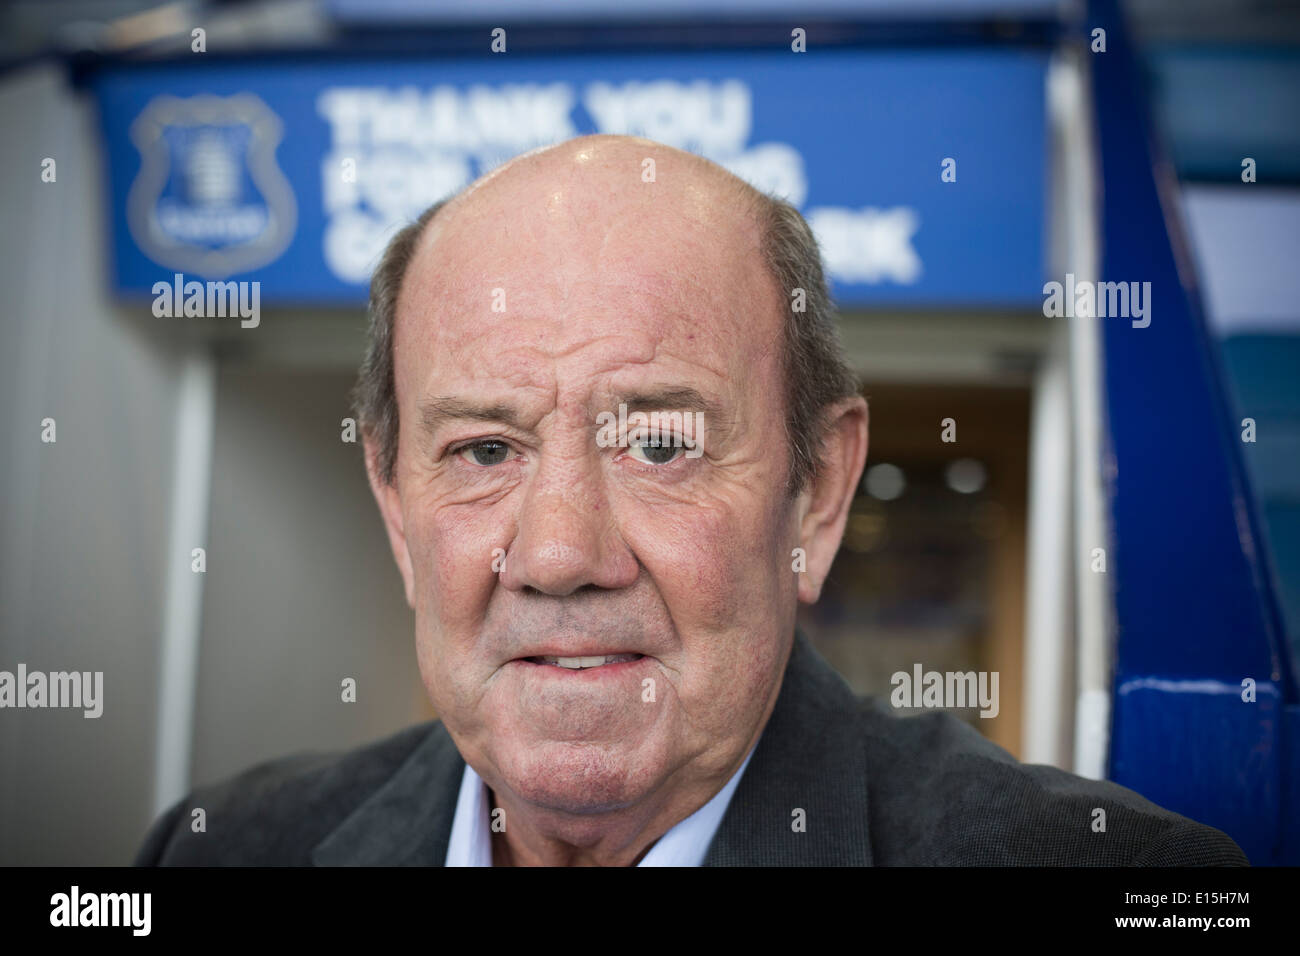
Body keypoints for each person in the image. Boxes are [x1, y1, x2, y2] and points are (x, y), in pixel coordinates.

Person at [136, 134, 1247, 866]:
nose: (560, 550)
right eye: (483, 449)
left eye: (659, 441)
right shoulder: (215, 849)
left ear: (815, 493)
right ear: (394, 503)